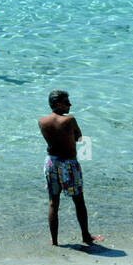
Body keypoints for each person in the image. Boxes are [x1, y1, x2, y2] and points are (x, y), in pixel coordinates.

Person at [38, 90, 102, 247]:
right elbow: (79, 137)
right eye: (67, 101)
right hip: (68, 163)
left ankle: (54, 241)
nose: (70, 104)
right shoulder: (69, 120)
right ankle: (86, 236)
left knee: (53, 202)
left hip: (50, 162)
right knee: (79, 200)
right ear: (58, 103)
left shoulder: (42, 121)